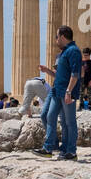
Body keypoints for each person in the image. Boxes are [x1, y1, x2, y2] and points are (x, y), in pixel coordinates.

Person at [34, 25, 82, 160]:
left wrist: (69, 92)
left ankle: (71, 152)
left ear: (62, 37)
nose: (55, 40)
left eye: (56, 37)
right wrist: (47, 71)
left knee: (69, 122)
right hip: (57, 91)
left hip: (66, 92)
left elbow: (75, 74)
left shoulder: (74, 51)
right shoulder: (64, 52)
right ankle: (48, 148)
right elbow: (61, 75)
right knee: (49, 116)